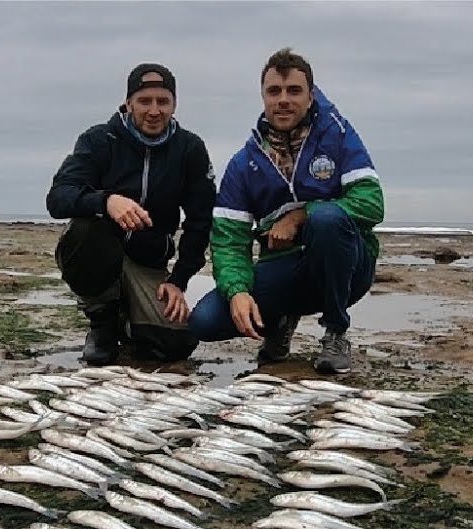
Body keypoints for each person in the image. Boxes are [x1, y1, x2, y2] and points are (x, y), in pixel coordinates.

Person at [188, 47, 384, 374]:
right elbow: (228, 241)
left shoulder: (338, 137)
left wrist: (301, 215)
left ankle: (335, 332)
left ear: (310, 97)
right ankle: (280, 320)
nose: (283, 100)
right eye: (274, 91)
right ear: (263, 97)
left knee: (325, 219)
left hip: (349, 268)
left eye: (294, 91)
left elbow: (372, 201)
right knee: (205, 321)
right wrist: (237, 291)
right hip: (285, 268)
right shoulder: (243, 164)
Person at [46, 62, 217, 366]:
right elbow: (58, 198)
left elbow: (200, 222)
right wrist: (106, 200)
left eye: (163, 101)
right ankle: (102, 323)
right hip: (101, 251)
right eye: (144, 101)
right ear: (129, 103)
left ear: (174, 104)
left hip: (148, 261)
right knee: (85, 230)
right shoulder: (99, 140)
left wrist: (179, 280)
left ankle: (128, 321)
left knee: (175, 344)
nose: (154, 111)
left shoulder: (190, 148)